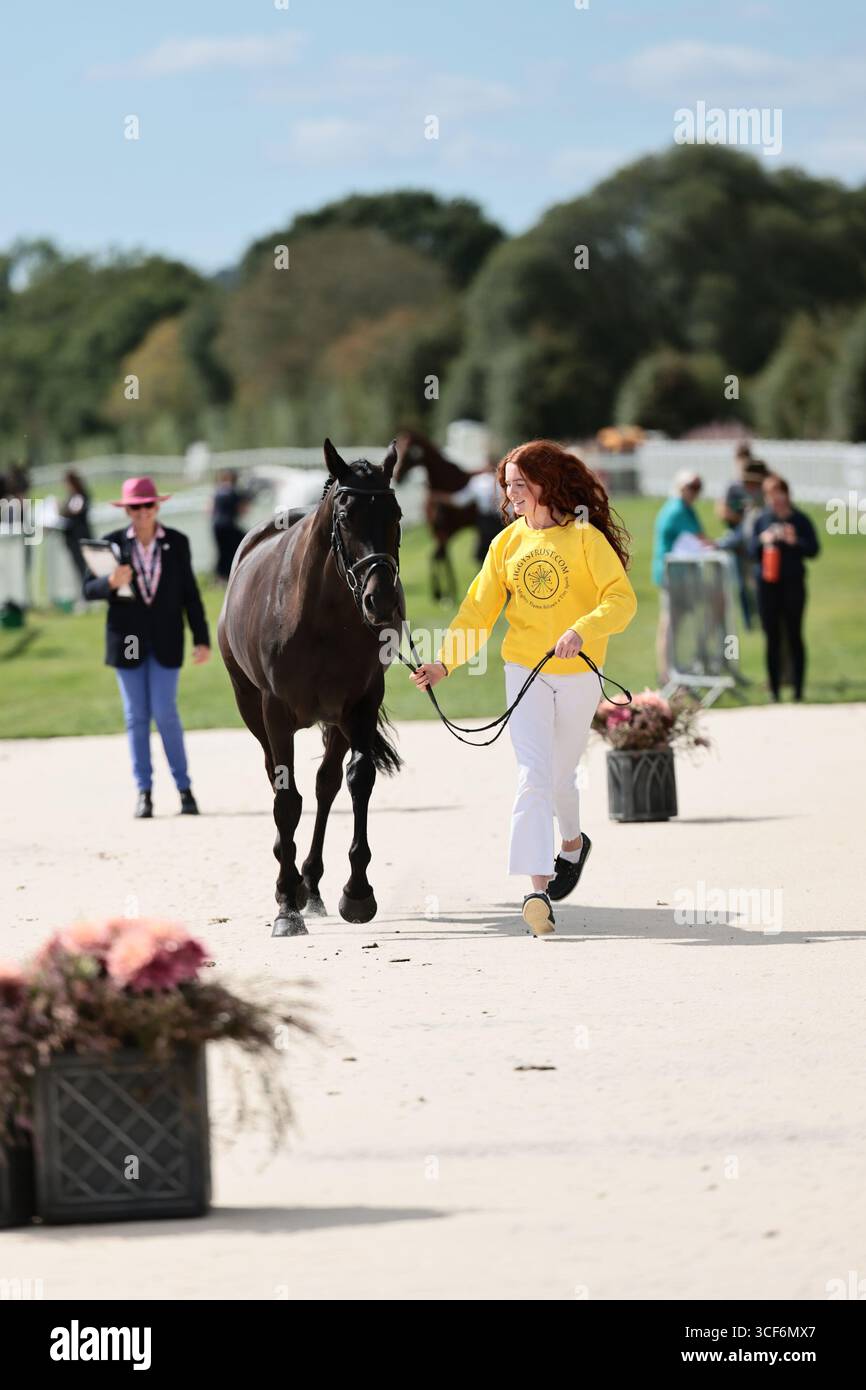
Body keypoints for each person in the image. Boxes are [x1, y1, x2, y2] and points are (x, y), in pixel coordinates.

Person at [410, 439, 637, 935]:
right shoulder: (507, 543)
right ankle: (537, 892)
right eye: (507, 485)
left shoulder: (583, 539)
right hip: (523, 671)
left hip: (579, 675)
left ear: (545, 484)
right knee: (533, 775)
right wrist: (444, 664)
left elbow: (621, 600)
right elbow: (477, 611)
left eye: (519, 484)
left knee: (560, 776)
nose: (511, 493)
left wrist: (583, 630)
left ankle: (573, 845)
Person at [82, 477, 211, 818]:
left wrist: (201, 638)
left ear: (157, 507)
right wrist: (109, 583)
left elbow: (191, 595)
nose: (141, 513)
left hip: (167, 637)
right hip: (128, 638)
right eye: (135, 507)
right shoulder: (110, 546)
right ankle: (144, 792)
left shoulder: (177, 543)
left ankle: (184, 789)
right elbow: (87, 589)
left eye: (147, 506)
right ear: (126, 510)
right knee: (136, 716)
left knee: (165, 712)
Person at [748, 473, 819, 702]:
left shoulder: (799, 519)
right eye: (770, 495)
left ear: (787, 495)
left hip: (792, 584)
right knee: (772, 637)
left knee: (794, 635)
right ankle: (774, 691)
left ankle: (798, 690)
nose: (775, 500)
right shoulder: (762, 519)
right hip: (767, 585)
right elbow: (751, 551)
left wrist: (794, 540)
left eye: (779, 494)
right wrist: (763, 540)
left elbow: (814, 550)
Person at [651, 470, 712, 683]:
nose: (695, 492)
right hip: (673, 574)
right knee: (670, 621)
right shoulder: (678, 509)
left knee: (675, 621)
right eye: (691, 487)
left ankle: (673, 668)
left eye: (698, 487)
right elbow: (701, 538)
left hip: (680, 575)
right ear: (681, 487)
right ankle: (668, 672)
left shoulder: (685, 508)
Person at [211, 468, 248, 583]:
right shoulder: (235, 492)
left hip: (216, 526)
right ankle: (235, 573)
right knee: (239, 546)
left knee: (221, 551)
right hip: (229, 525)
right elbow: (242, 510)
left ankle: (220, 576)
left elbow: (210, 510)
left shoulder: (217, 491)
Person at [58, 469, 92, 584]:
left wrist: (61, 509)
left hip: (80, 537)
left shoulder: (81, 496)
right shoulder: (71, 497)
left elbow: (75, 511)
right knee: (79, 567)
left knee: (85, 567)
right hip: (72, 539)